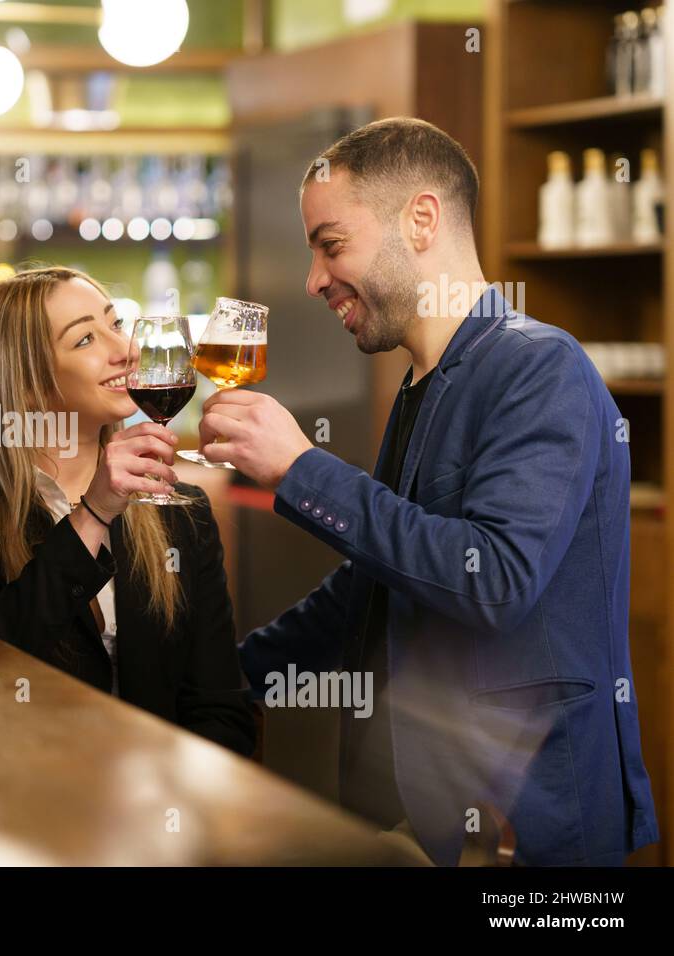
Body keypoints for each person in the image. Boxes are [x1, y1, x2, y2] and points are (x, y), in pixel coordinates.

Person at [199, 117, 658, 865]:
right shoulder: (423, 381)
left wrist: (299, 468)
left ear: (420, 220)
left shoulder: (540, 368)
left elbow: (496, 580)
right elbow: (373, 585)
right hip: (425, 816)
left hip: (525, 828)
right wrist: (219, 678)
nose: (314, 279)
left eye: (331, 244)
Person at [0, 266, 256, 757]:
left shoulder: (180, 511)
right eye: (85, 340)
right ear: (24, 383)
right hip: (17, 792)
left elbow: (220, 707)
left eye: (116, 324)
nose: (125, 350)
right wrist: (95, 513)